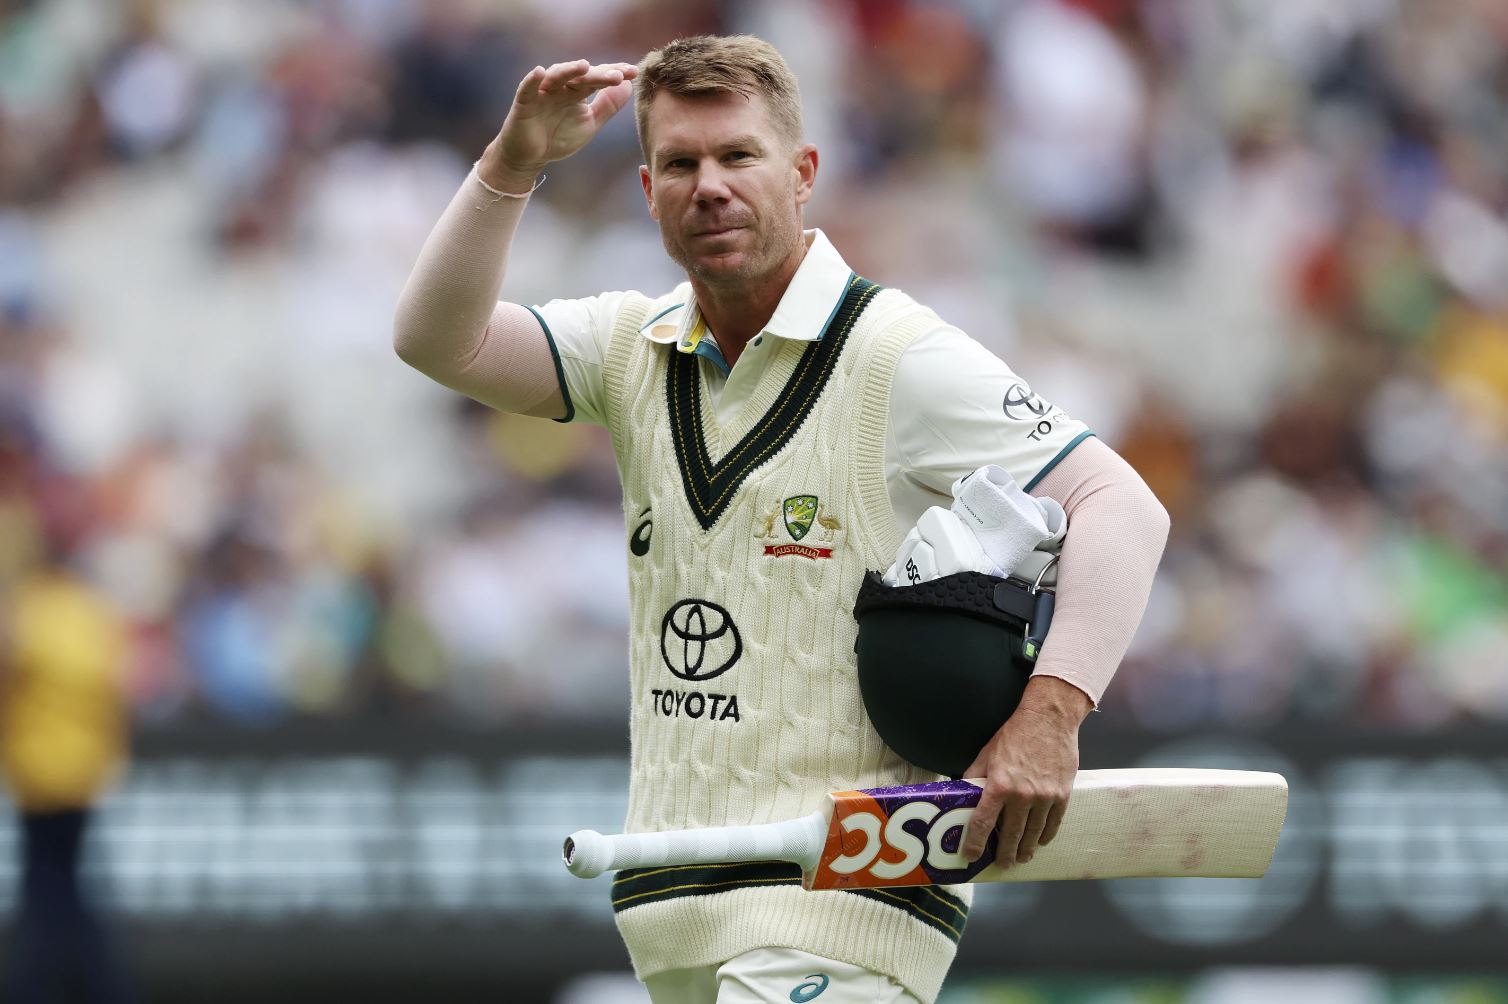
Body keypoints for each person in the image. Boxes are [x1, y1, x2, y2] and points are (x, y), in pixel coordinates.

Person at [395, 35, 1169, 1004]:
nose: (707, 185)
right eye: (679, 164)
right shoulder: (627, 348)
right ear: (645, 190)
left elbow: (1118, 506)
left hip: (844, 892)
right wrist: (511, 165)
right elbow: (437, 337)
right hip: (671, 894)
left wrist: (1049, 718)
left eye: (736, 157)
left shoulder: (897, 355)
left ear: (801, 174)